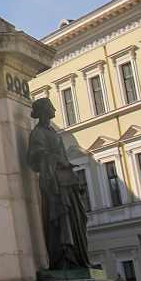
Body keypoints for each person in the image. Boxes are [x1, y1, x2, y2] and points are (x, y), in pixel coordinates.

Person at [27, 97, 93, 270]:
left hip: (66, 181)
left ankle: (79, 257)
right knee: (61, 220)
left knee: (78, 218)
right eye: (50, 107)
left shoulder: (53, 133)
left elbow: (61, 155)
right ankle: (64, 259)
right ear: (43, 111)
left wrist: (73, 178)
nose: (55, 110)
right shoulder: (38, 133)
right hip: (54, 183)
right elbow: (34, 158)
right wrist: (56, 160)